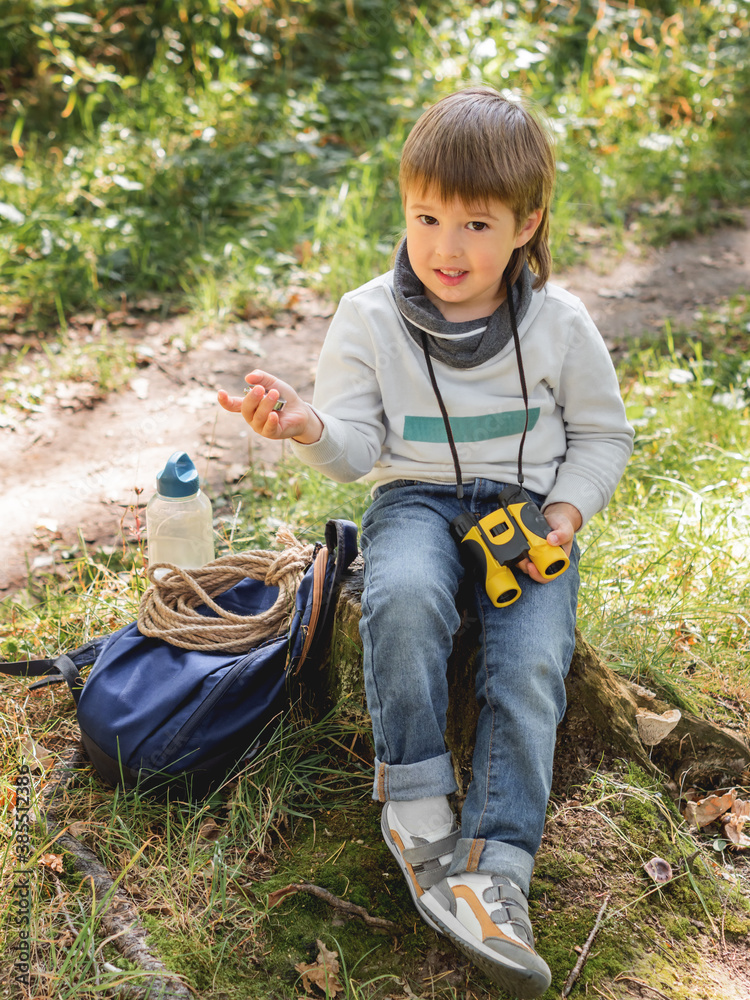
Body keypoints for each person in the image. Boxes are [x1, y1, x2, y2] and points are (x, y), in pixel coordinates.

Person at [218, 86, 633, 998]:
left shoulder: (558, 325)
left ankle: (499, 867)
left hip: (527, 516)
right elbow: (358, 448)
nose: (448, 246)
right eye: (427, 217)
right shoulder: (368, 316)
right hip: (414, 499)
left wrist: (562, 518)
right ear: (404, 209)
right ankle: (412, 799)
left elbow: (605, 436)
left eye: (478, 225)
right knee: (403, 597)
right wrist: (308, 426)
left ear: (527, 224)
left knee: (529, 660)